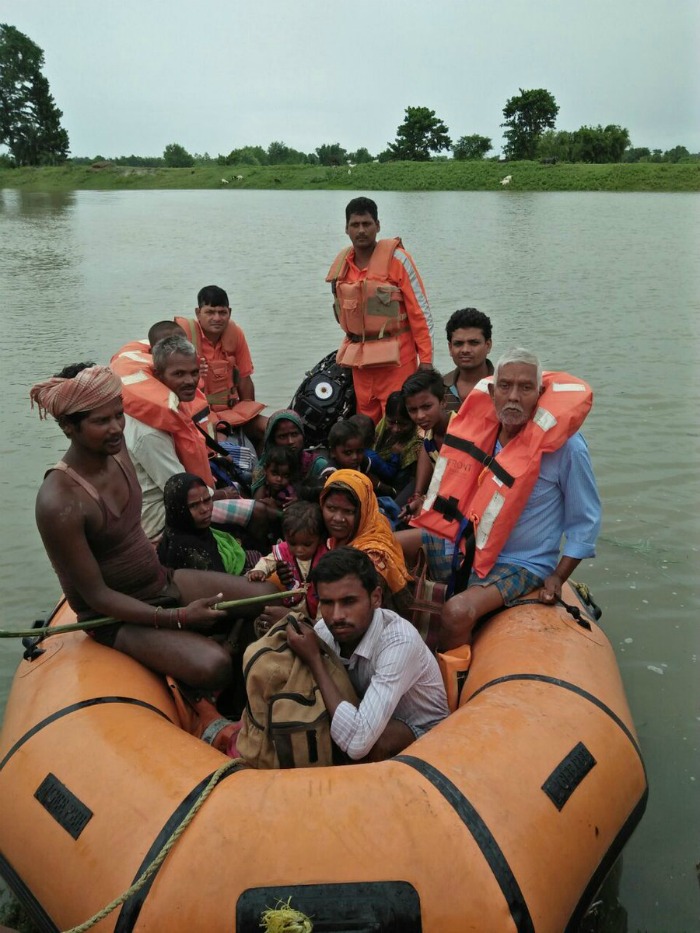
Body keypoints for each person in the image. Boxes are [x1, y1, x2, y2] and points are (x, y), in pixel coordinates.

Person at [30, 363, 276, 694]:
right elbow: (97, 596)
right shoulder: (58, 501)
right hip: (113, 618)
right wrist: (178, 618)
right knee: (214, 666)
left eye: (118, 415)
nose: (117, 427)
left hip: (161, 579)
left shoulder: (119, 455)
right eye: (101, 421)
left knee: (268, 596)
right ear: (68, 427)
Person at [424, 348, 601, 649]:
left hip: (522, 561)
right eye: (505, 386)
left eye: (525, 387)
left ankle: (447, 689)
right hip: (470, 543)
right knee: (390, 546)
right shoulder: (483, 432)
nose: (514, 396)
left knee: (456, 612)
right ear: (492, 391)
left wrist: (558, 576)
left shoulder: (568, 448)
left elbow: (585, 523)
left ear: (540, 393)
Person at [286, 548, 448, 762]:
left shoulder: (399, 642)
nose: (336, 616)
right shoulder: (325, 631)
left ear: (376, 598)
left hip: (427, 736)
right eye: (327, 603)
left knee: (374, 745)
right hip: (365, 715)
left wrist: (316, 661)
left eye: (349, 602)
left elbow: (358, 744)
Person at [116, 334, 271, 545]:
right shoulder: (149, 433)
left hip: (178, 498)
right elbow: (179, 488)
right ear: (158, 375)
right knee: (260, 511)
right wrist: (220, 495)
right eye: (179, 374)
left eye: (194, 373)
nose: (190, 381)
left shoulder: (167, 410)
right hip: (161, 517)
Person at [326, 196, 434, 424]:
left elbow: (420, 315)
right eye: (355, 225)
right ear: (346, 228)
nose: (361, 230)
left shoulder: (398, 260)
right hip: (361, 365)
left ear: (378, 226)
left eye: (367, 224)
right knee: (365, 426)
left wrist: (425, 363)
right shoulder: (342, 266)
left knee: (398, 424)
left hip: (396, 363)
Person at [175, 284, 267, 444]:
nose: (217, 318)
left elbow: (245, 380)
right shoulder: (184, 337)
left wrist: (248, 417)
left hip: (232, 412)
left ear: (229, 312)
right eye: (210, 312)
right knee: (222, 443)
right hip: (200, 416)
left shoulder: (236, 334)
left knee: (275, 427)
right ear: (198, 313)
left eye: (222, 312)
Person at [320, 470, 412, 611]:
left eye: (349, 511)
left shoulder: (373, 557)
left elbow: (353, 615)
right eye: (331, 508)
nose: (338, 518)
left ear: (364, 512)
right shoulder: (327, 538)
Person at [247, 501, 328, 619]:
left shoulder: (325, 555)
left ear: (319, 539)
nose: (299, 549)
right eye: (293, 543)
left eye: (307, 544)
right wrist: (259, 571)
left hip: (319, 610)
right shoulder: (284, 550)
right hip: (291, 610)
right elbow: (268, 561)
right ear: (285, 537)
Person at [157, 473, 247, 575]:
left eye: (207, 500)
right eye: (194, 505)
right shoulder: (186, 551)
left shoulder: (199, 529)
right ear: (178, 510)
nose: (205, 509)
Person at [251, 409, 330, 495]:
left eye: (294, 434)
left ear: (302, 435)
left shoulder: (317, 464)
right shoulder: (264, 467)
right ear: (272, 441)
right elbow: (258, 503)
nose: (290, 441)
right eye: (282, 436)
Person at [442, 308, 494, 413]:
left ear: (488, 345)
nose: (465, 350)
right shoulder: (439, 388)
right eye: (458, 344)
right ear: (450, 348)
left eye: (474, 343)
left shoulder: (504, 387)